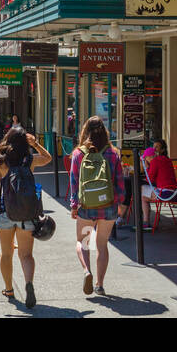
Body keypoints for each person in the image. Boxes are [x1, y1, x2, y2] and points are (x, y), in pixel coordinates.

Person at [0, 126, 52, 308]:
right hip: (27, 215)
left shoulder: (0, 162)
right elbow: (48, 158)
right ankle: (28, 284)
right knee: (26, 255)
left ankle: (9, 289)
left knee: (6, 254)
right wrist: (35, 144)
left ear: (8, 139)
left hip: (5, 214)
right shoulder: (29, 160)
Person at [68, 116, 128, 296]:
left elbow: (74, 181)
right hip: (108, 205)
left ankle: (87, 271)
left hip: (86, 205)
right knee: (102, 245)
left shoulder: (79, 153)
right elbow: (119, 181)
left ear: (85, 131)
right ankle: (99, 285)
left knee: (82, 242)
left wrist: (74, 205)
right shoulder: (112, 153)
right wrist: (119, 203)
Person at [139, 139, 177, 227]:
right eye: (153, 147)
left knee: (143, 195)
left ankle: (145, 222)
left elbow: (150, 179)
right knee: (145, 189)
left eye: (157, 147)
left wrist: (147, 166)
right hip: (175, 192)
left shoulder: (156, 161)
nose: (154, 149)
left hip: (165, 193)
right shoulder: (167, 159)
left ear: (162, 150)